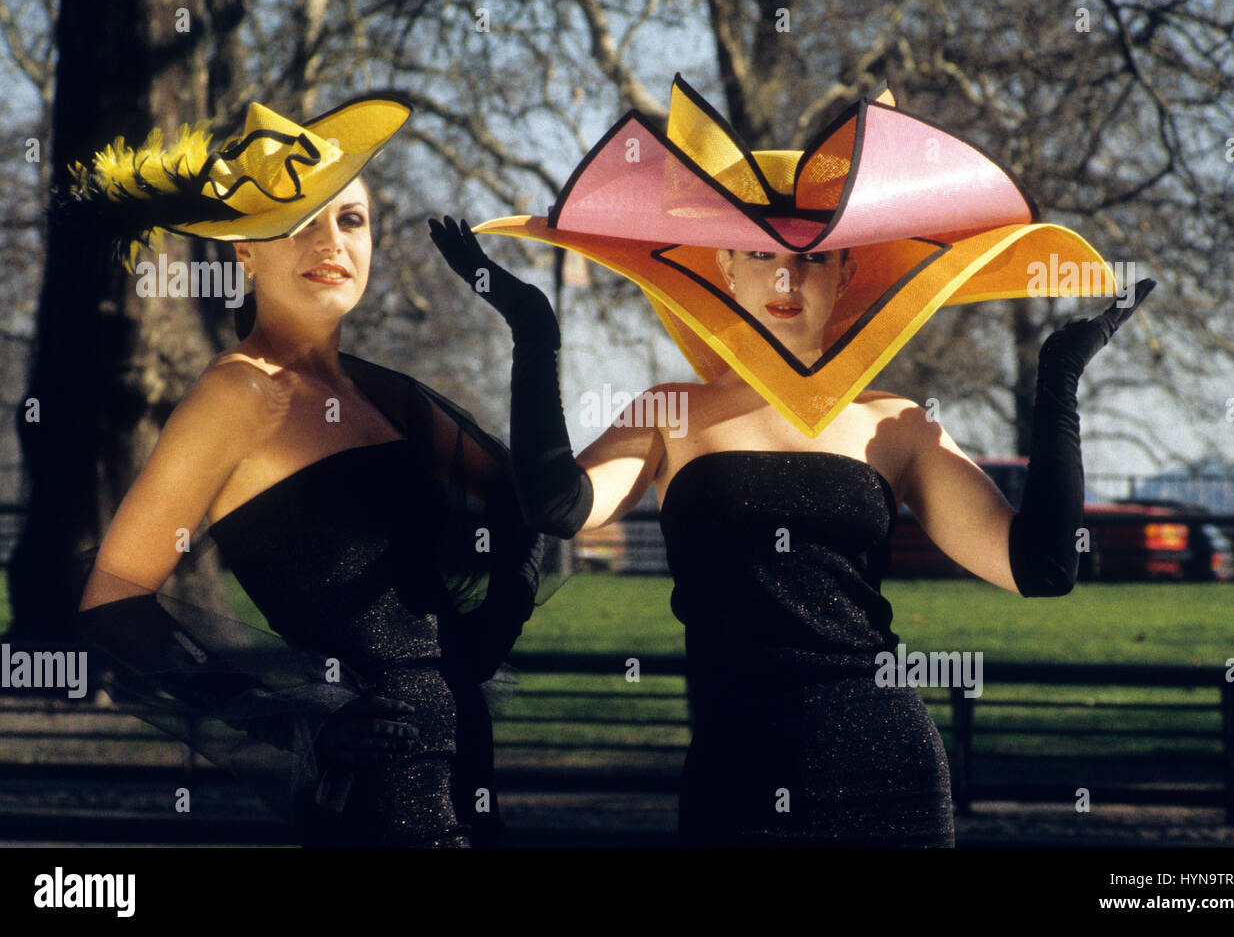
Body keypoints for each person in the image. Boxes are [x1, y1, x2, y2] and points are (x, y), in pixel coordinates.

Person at [427, 76, 1154, 846]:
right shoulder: (670, 413)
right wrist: (534, 335)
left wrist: (1059, 382)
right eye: (756, 252)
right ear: (723, 269)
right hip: (734, 775)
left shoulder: (896, 423)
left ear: (847, 273)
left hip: (889, 770)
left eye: (813, 257)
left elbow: (1041, 566)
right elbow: (558, 505)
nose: (784, 277)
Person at [74, 95, 545, 847]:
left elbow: (535, 499)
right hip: (371, 792)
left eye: (350, 219)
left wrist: (498, 612)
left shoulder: (380, 391)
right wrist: (300, 714)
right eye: (298, 221)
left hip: (464, 768)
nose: (330, 241)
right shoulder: (238, 393)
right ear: (245, 252)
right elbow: (114, 598)